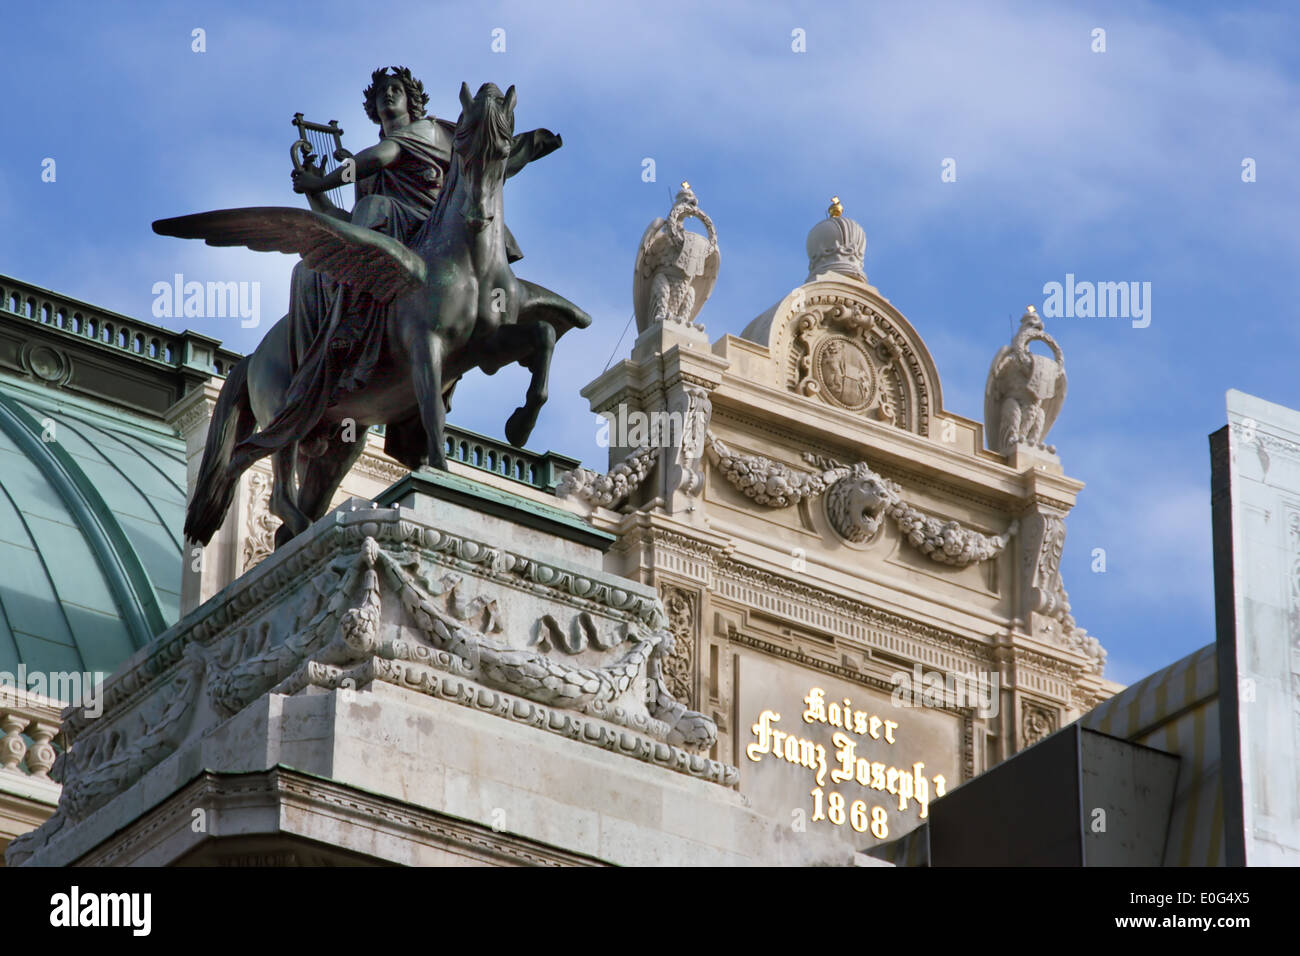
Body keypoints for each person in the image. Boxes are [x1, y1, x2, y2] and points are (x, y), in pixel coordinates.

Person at [235, 66, 560, 463]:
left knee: (374, 212)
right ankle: (339, 343)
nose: (388, 96)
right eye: (381, 93)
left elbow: (377, 158)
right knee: (312, 266)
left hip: (437, 232)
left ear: (412, 100)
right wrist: (316, 196)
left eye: (396, 90)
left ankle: (359, 335)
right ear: (372, 108)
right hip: (400, 241)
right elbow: (348, 222)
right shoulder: (376, 171)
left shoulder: (425, 133)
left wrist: (322, 182)